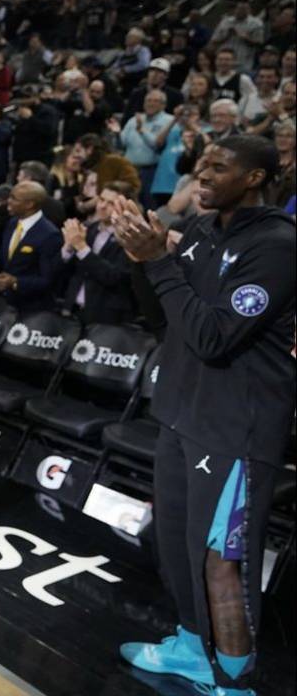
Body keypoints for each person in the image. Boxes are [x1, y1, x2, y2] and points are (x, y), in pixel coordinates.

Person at [113, 136, 294, 696]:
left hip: (236, 427)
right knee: (175, 545)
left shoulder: (279, 245)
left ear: (257, 178)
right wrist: (142, 263)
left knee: (223, 566)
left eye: (220, 167)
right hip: (182, 413)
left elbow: (215, 337)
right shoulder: (200, 232)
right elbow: (166, 321)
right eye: (203, 163)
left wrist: (160, 262)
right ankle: (194, 647)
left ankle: (235, 684)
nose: (202, 173)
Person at [59, 183, 137, 325]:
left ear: (125, 209)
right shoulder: (88, 229)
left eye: (111, 203)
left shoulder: (131, 239)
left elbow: (114, 277)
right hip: (71, 309)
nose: (102, 206)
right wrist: (68, 248)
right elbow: (66, 273)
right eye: (101, 200)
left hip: (105, 317)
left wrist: (82, 248)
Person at [0, 181, 65, 313]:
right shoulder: (12, 223)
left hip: (31, 310)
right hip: (5, 305)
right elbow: (5, 263)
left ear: (30, 204)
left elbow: (48, 279)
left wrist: (16, 282)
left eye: (14, 198)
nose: (8, 201)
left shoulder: (50, 235)